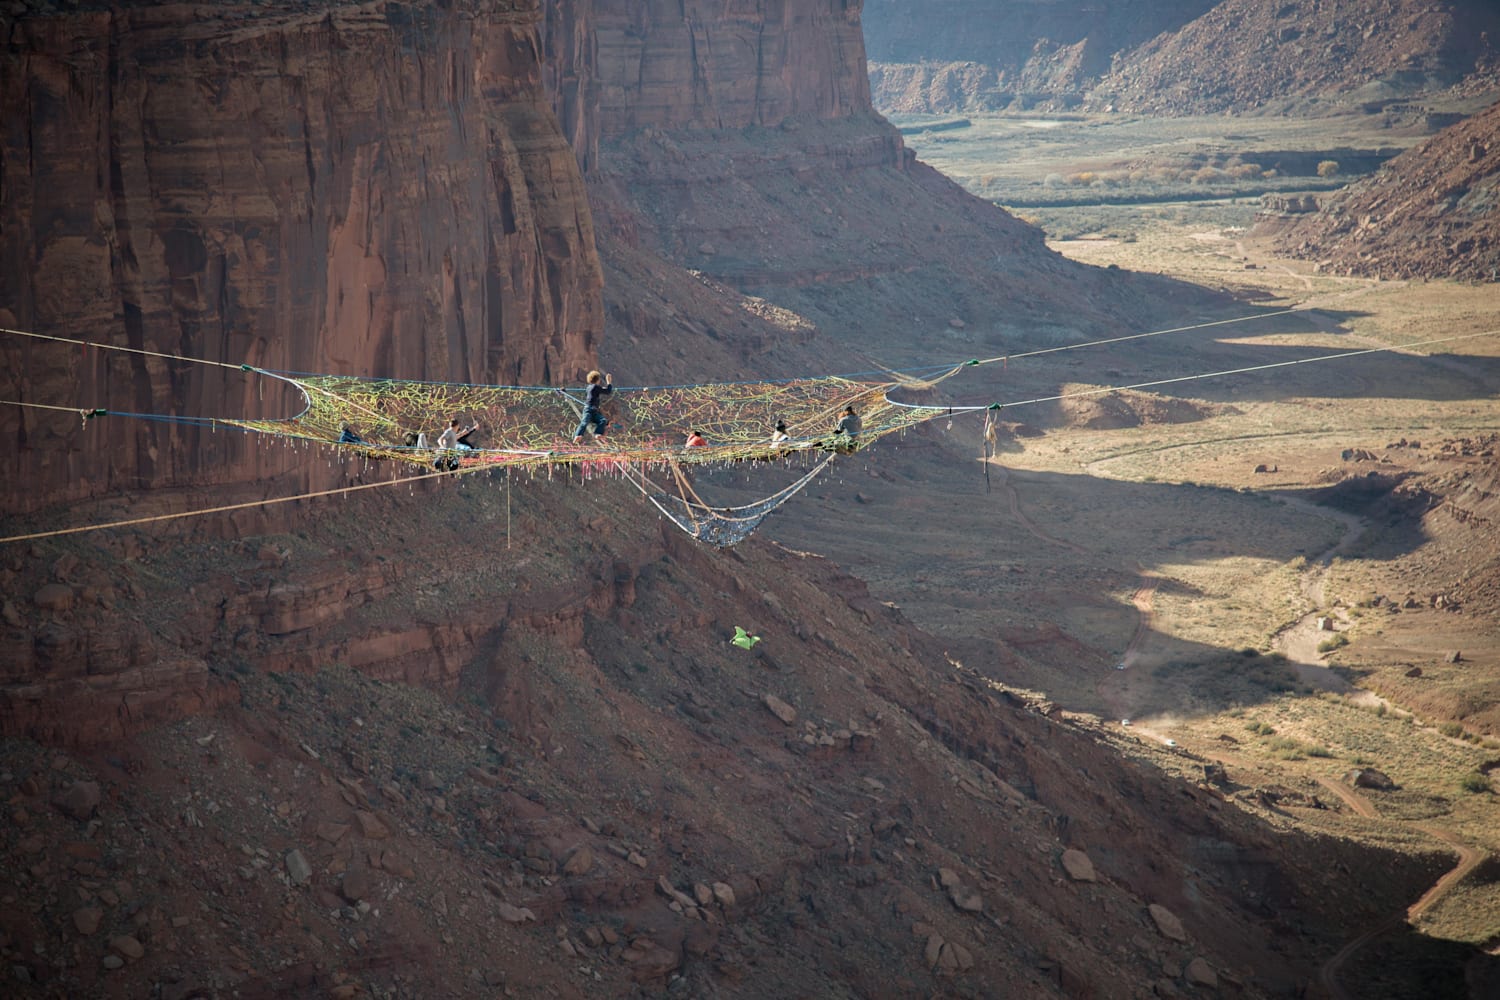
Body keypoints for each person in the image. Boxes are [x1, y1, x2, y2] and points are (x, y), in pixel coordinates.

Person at [573, 370, 613, 443]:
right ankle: (578, 435)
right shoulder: (595, 387)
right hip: (589, 410)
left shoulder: (589, 387)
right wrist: (609, 382)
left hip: (594, 411)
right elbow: (608, 391)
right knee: (584, 422)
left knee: (602, 420)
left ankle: (597, 434)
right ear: (597, 379)